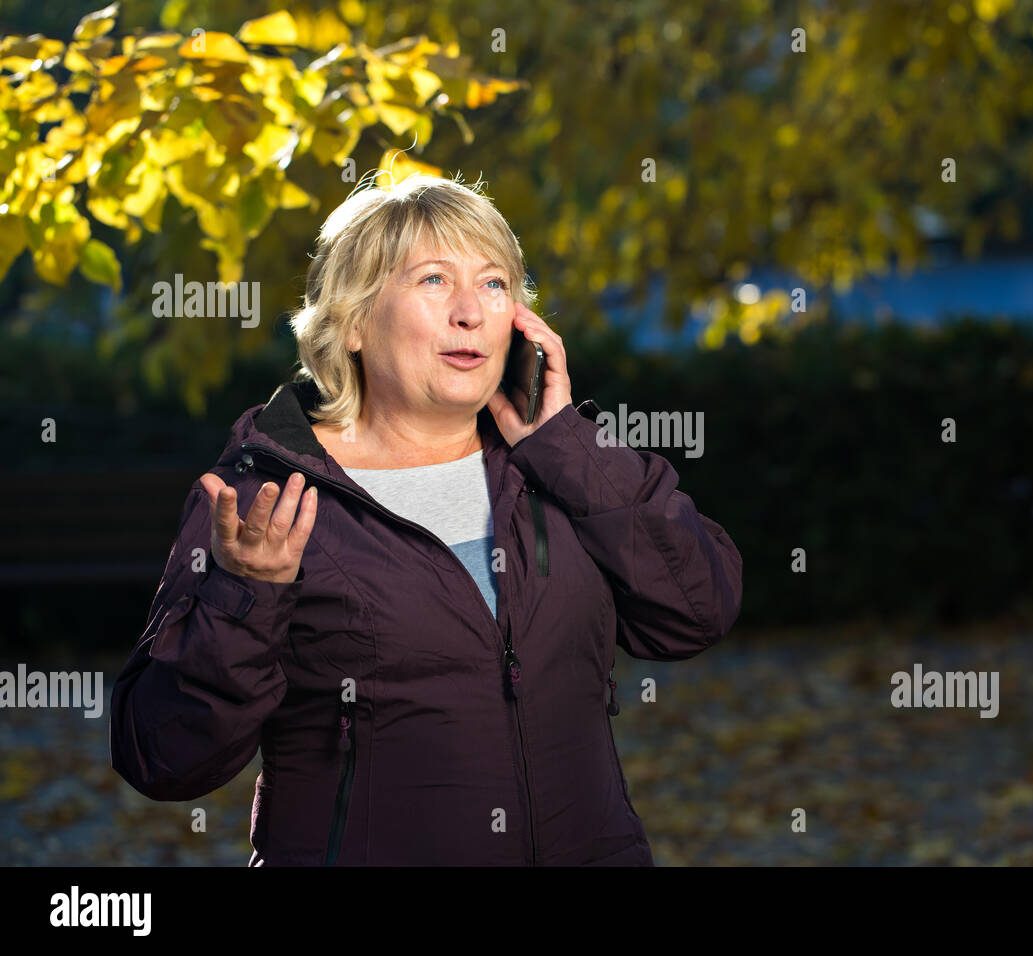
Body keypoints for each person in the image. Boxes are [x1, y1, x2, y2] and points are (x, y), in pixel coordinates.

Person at [109, 172, 743, 865]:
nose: (470, 311)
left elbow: (695, 610)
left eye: (495, 283)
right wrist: (245, 597)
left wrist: (567, 446)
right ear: (352, 321)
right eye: (435, 281)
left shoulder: (556, 465)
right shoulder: (263, 498)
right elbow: (164, 757)